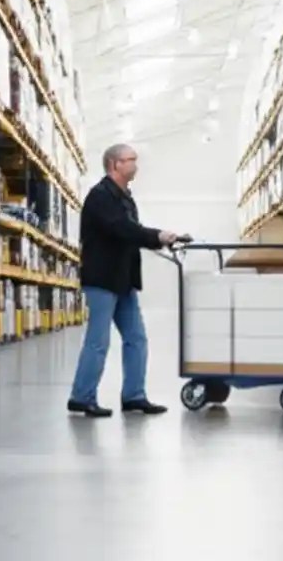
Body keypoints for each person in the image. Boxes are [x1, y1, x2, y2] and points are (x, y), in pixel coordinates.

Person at [67, 143, 184, 417]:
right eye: (132, 160)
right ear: (115, 164)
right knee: (98, 341)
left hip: (123, 280)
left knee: (137, 339)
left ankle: (134, 395)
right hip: (103, 279)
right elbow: (123, 229)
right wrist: (157, 236)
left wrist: (159, 240)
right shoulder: (100, 196)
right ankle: (81, 397)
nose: (136, 165)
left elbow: (131, 232)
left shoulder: (124, 197)